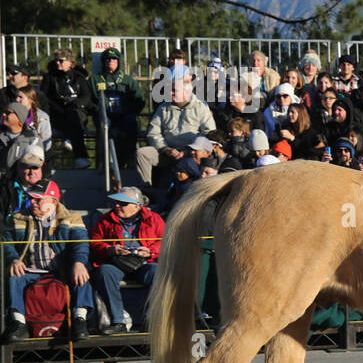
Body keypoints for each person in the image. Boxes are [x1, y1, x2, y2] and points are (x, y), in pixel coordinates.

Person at [3, 179, 92, 342]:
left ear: (52, 200)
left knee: (82, 275)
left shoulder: (72, 217)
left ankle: (80, 319)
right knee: (14, 277)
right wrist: (14, 259)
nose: (32, 202)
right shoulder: (17, 218)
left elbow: (81, 244)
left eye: (38, 198)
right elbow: (7, 243)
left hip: (60, 270)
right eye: (31, 198)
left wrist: (79, 263)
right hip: (29, 270)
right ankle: (18, 322)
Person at [88, 187, 164, 334]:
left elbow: (165, 240)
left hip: (144, 262)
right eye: (116, 202)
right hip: (117, 262)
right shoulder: (105, 219)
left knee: (157, 272)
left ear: (137, 206)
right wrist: (110, 249)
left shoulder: (154, 218)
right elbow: (94, 242)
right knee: (105, 272)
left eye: (122, 203)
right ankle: (118, 321)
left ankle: (150, 319)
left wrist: (150, 251)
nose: (117, 206)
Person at [137, 76, 217, 189]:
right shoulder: (163, 108)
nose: (170, 92)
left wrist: (189, 151)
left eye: (174, 90)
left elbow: (209, 133)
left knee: (187, 164)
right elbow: (153, 132)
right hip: (166, 151)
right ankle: (146, 189)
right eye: (171, 89)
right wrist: (165, 149)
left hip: (191, 154)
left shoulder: (200, 108)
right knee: (143, 153)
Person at [40, 48, 93, 168]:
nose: (57, 63)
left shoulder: (79, 77)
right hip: (57, 114)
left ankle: (77, 153)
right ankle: (79, 156)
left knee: (74, 115)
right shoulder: (49, 78)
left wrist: (74, 104)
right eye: (56, 60)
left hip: (76, 113)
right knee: (71, 120)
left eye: (61, 60)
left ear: (70, 62)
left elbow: (86, 96)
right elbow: (43, 97)